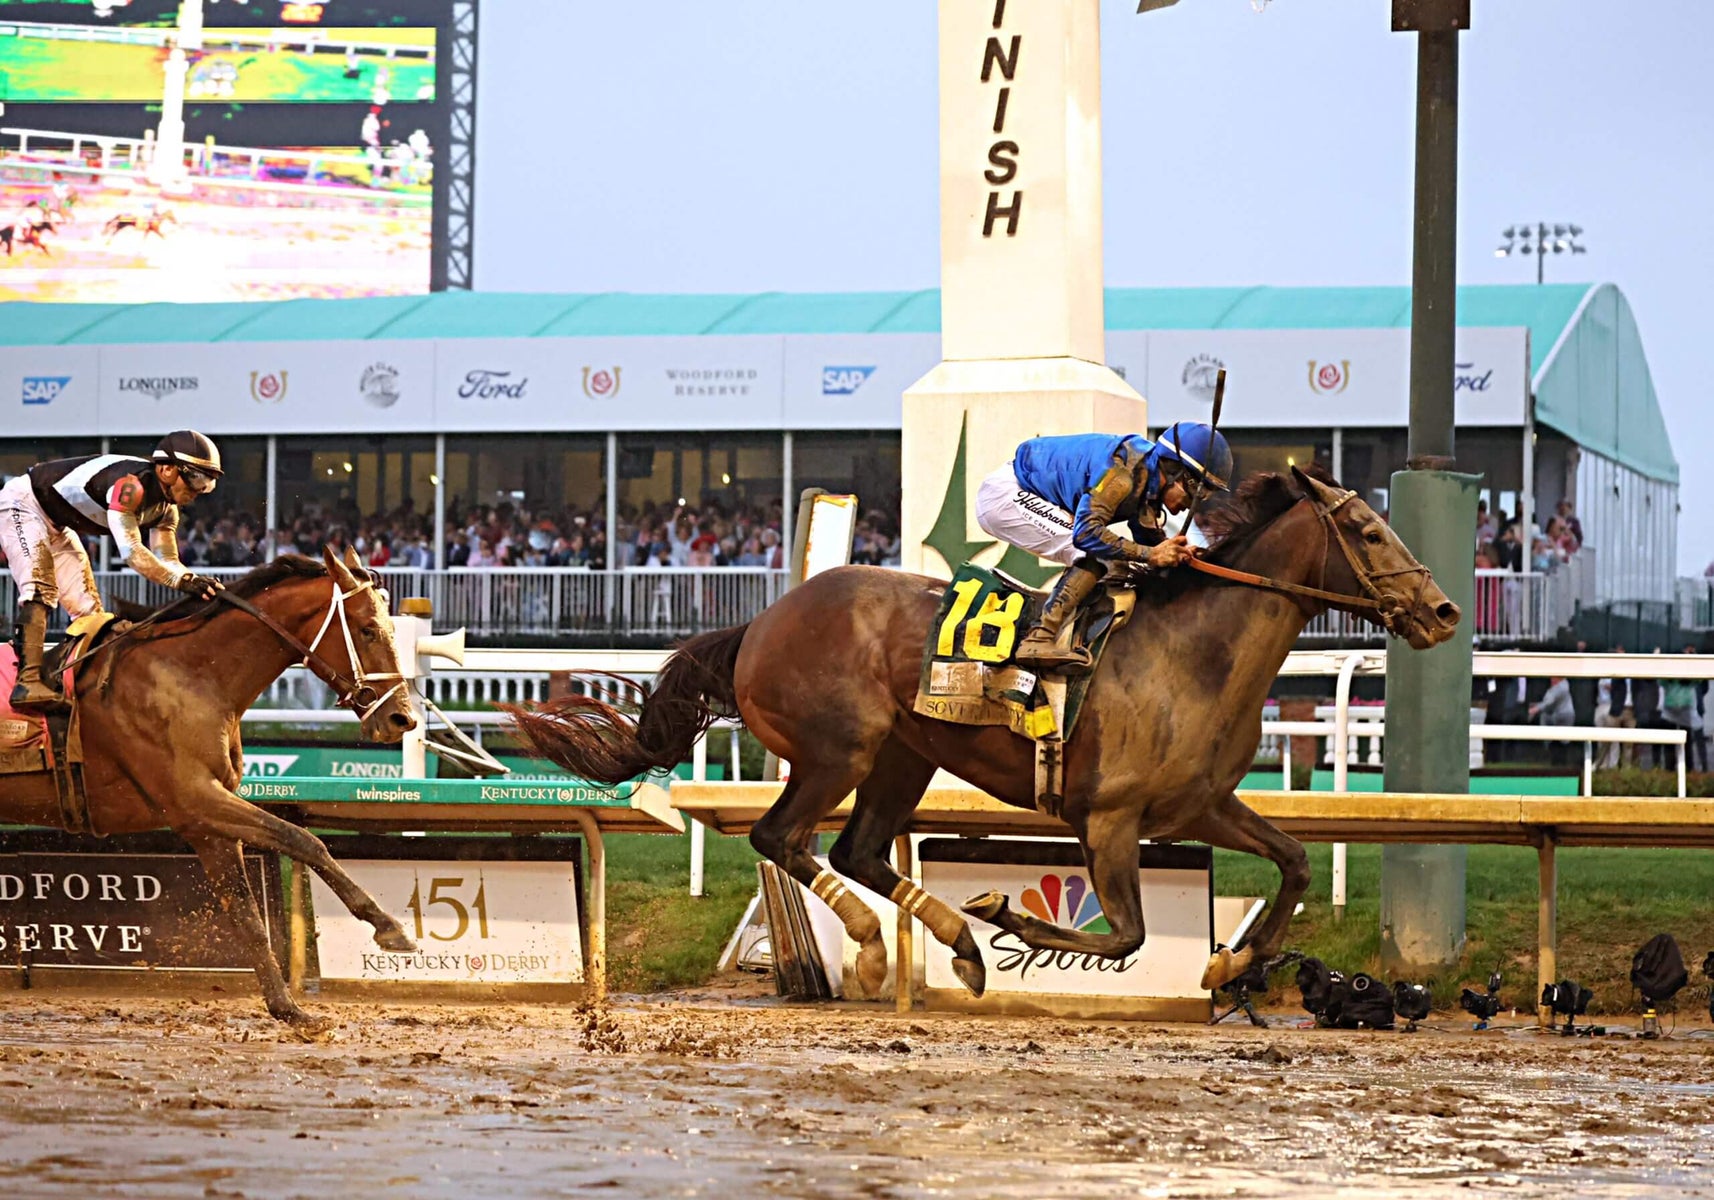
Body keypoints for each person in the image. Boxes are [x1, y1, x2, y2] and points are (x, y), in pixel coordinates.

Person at [974, 423, 1232, 670]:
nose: (1192, 505)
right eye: (1196, 492)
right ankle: (1038, 638)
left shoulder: (1148, 477)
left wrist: (1175, 552)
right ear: (1176, 472)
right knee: (1094, 553)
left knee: (1116, 563)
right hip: (1006, 495)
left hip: (1036, 493)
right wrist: (1152, 554)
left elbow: (1144, 534)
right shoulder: (1121, 475)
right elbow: (1086, 534)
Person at [0, 431, 225, 711]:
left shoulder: (167, 511)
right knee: (40, 587)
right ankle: (27, 682)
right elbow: (132, 553)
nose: (198, 492)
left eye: (208, 484)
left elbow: (168, 561)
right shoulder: (130, 487)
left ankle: (80, 685)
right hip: (24, 504)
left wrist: (194, 581)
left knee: (89, 612)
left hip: (57, 522)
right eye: (196, 479)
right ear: (167, 469)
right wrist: (184, 582)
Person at [1528, 675, 1576, 766]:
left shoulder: (1562, 686)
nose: (1551, 679)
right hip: (1555, 716)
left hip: (1564, 716)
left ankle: (1560, 764)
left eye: (1553, 677)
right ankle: (1556, 763)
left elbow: (1549, 702)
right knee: (1554, 740)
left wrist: (1536, 709)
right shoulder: (1554, 687)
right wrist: (1536, 706)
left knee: (1561, 741)